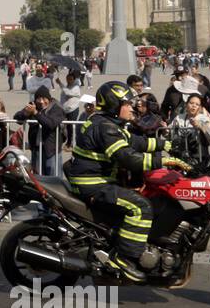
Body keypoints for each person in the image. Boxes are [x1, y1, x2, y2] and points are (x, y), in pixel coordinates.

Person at [65, 81, 189, 281]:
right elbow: (128, 158)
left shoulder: (109, 123)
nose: (131, 106)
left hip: (99, 180)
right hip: (93, 184)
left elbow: (135, 142)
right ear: (114, 105)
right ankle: (124, 259)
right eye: (126, 103)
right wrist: (165, 160)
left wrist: (167, 143)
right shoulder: (105, 127)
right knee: (141, 207)